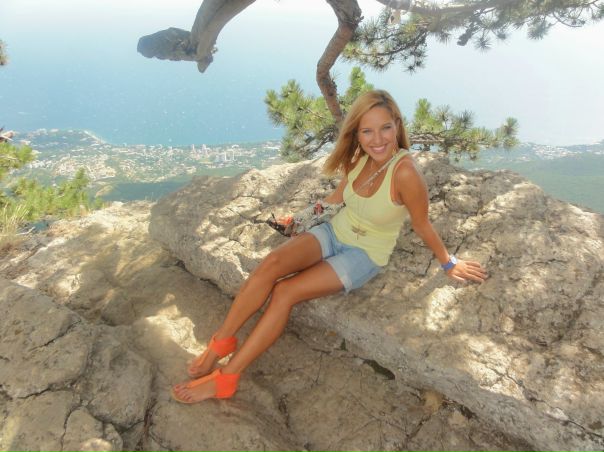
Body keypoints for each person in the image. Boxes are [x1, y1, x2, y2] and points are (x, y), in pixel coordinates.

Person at [172, 90, 488, 403]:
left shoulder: (405, 173)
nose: (378, 139)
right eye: (367, 131)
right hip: (334, 231)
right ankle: (220, 343)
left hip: (364, 254)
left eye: (385, 128)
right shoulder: (359, 159)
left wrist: (449, 262)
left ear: (397, 125)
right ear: (357, 133)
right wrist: (298, 221)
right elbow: (335, 200)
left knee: (285, 292)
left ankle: (227, 378)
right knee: (271, 264)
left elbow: (422, 224)